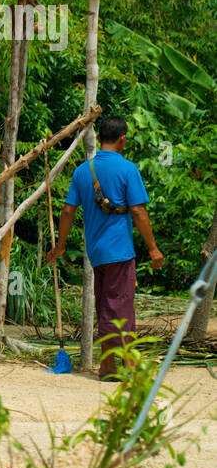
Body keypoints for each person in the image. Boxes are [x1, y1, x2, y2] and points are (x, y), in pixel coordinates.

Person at [46, 115, 164, 379]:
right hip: (120, 251)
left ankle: (109, 365)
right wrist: (153, 248)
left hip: (96, 253)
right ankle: (129, 365)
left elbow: (66, 211)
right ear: (122, 139)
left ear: (99, 139)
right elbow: (138, 211)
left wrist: (61, 244)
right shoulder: (128, 169)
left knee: (106, 305)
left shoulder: (82, 171)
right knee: (121, 306)